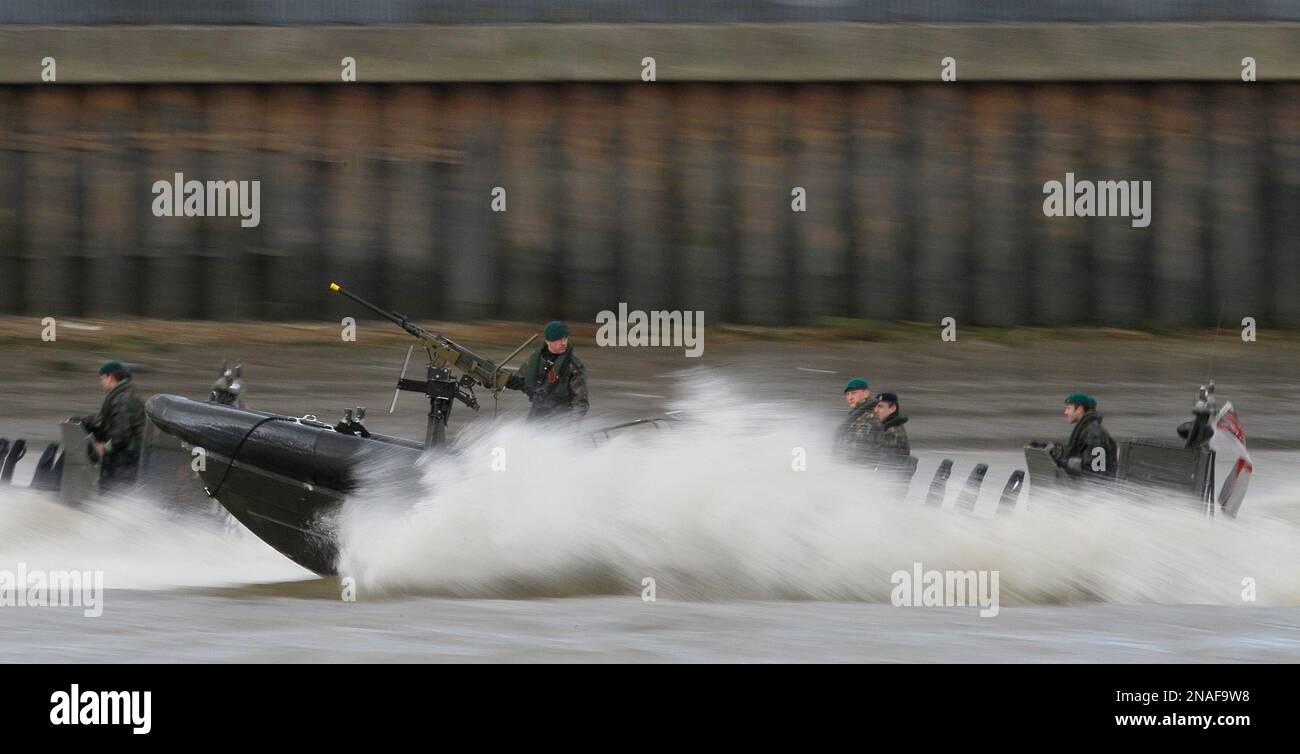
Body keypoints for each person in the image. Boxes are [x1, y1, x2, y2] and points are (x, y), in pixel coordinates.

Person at [79, 361, 147, 492]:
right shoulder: (123, 394)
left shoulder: (123, 399)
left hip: (127, 457)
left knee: (113, 490)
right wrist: (82, 421)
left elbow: (121, 433)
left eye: (102, 378)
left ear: (110, 377)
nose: (102, 382)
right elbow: (104, 420)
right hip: (127, 454)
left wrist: (105, 447)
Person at [505, 321, 589, 422]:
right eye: (558, 339)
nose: (563, 343)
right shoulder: (534, 361)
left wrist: (572, 425)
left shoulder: (573, 365)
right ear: (548, 341)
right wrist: (504, 380)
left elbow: (581, 401)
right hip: (537, 412)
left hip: (562, 416)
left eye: (565, 338)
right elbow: (521, 382)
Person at [1050, 392, 1117, 478]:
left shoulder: (1094, 433)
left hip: (1093, 487)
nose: (1065, 412)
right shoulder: (1087, 429)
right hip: (1082, 484)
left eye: (1068, 408)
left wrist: (1063, 462)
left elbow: (1094, 468)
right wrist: (1056, 452)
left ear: (1080, 409)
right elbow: (1078, 453)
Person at [835, 377, 879, 461]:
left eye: (854, 393)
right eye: (847, 394)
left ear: (866, 393)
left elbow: (859, 452)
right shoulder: (857, 416)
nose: (850, 397)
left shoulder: (869, 417)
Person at [866, 391, 911, 463]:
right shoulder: (885, 427)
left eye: (880, 406)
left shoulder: (892, 433)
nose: (876, 410)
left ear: (892, 408)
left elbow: (883, 463)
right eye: (875, 406)